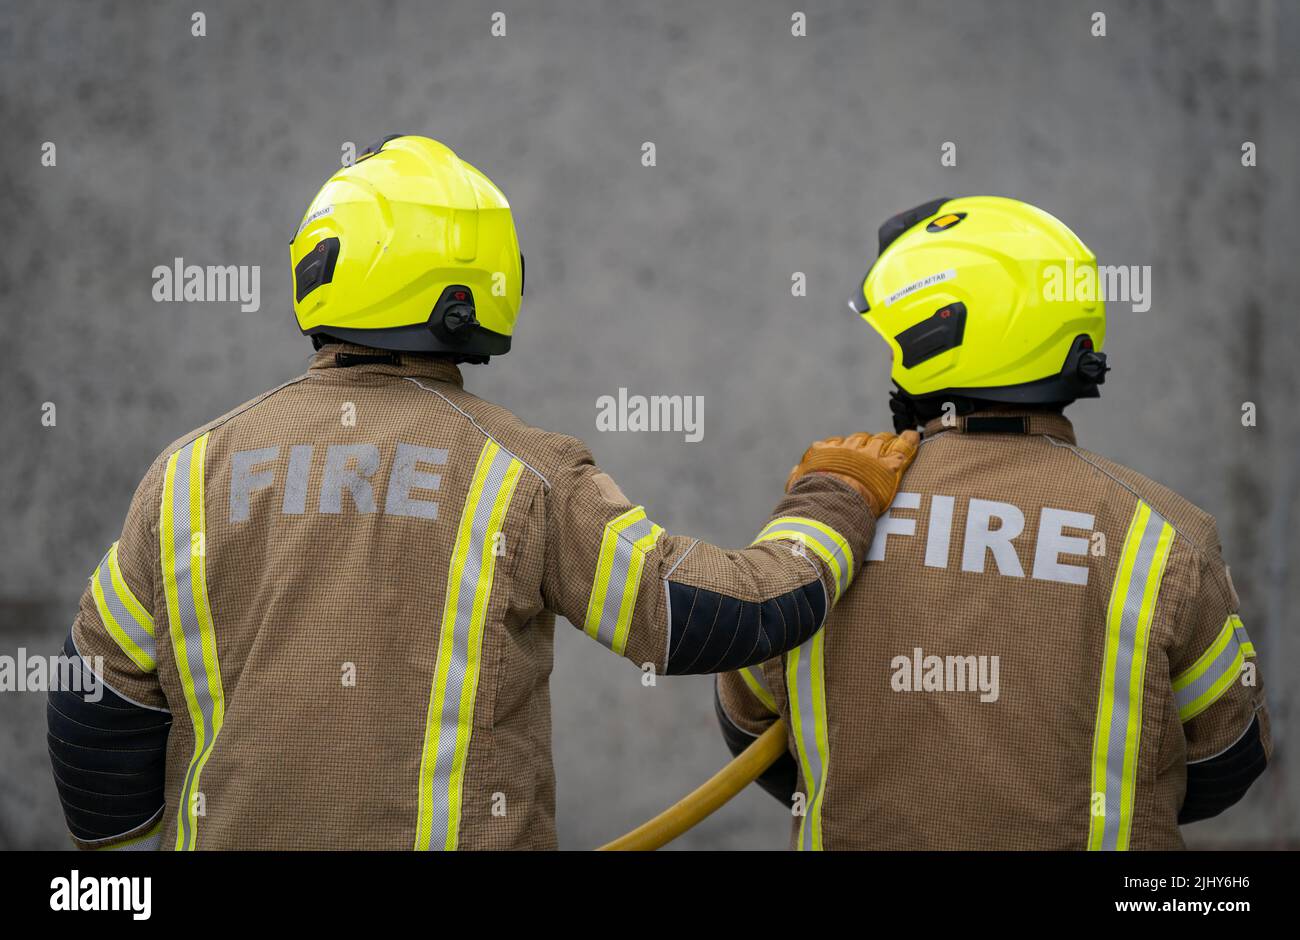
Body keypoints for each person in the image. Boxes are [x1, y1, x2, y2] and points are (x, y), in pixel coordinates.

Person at [45, 134, 918, 851]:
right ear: (479, 287)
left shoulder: (188, 474)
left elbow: (98, 715)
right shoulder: (520, 473)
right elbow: (699, 615)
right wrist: (833, 501)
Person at [716, 196, 1270, 850]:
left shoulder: (832, 515)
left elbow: (751, 729)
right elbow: (1225, 760)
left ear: (936, 334)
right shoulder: (1165, 535)